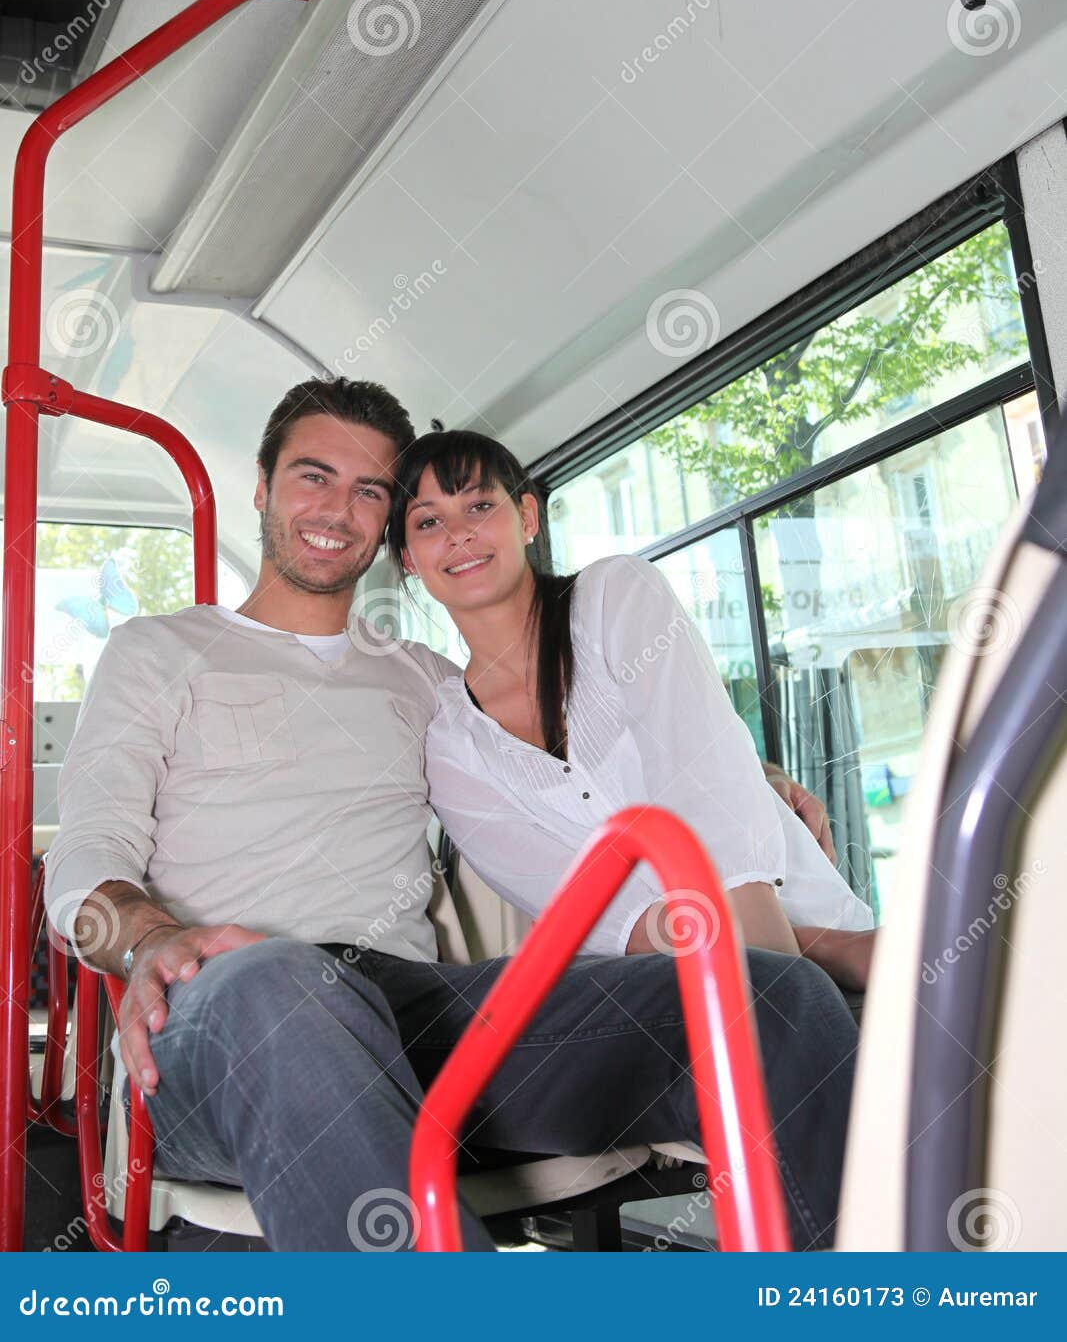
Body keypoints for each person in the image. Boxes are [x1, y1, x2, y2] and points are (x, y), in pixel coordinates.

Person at [45, 377, 860, 1252]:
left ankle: (856, 1296)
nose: (337, 510)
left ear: (389, 530)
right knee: (279, 983)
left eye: (370, 491)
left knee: (765, 994)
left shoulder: (422, 682)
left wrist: (751, 772)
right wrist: (150, 941)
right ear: (262, 488)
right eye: (313, 477)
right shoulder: (157, 651)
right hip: (223, 1008)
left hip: (413, 1013)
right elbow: (86, 856)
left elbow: (563, 748)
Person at [388, 429, 876, 991]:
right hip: (683, 991)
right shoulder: (451, 745)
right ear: (408, 559)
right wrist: (817, 953)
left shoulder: (615, 597)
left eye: (479, 506)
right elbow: (580, 904)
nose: (459, 534)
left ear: (526, 517)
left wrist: (788, 967)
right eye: (429, 522)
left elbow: (707, 783)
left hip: (822, 948)